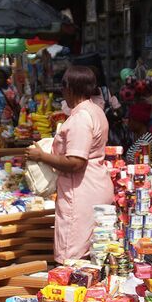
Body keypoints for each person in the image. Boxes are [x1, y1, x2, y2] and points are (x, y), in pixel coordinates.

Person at [26, 66, 114, 262]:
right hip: (94, 185)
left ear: (70, 89)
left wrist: (40, 156)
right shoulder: (95, 111)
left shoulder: (81, 118)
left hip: (81, 192)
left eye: (63, 88)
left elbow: (75, 162)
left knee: (73, 257)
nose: (62, 93)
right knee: (93, 253)